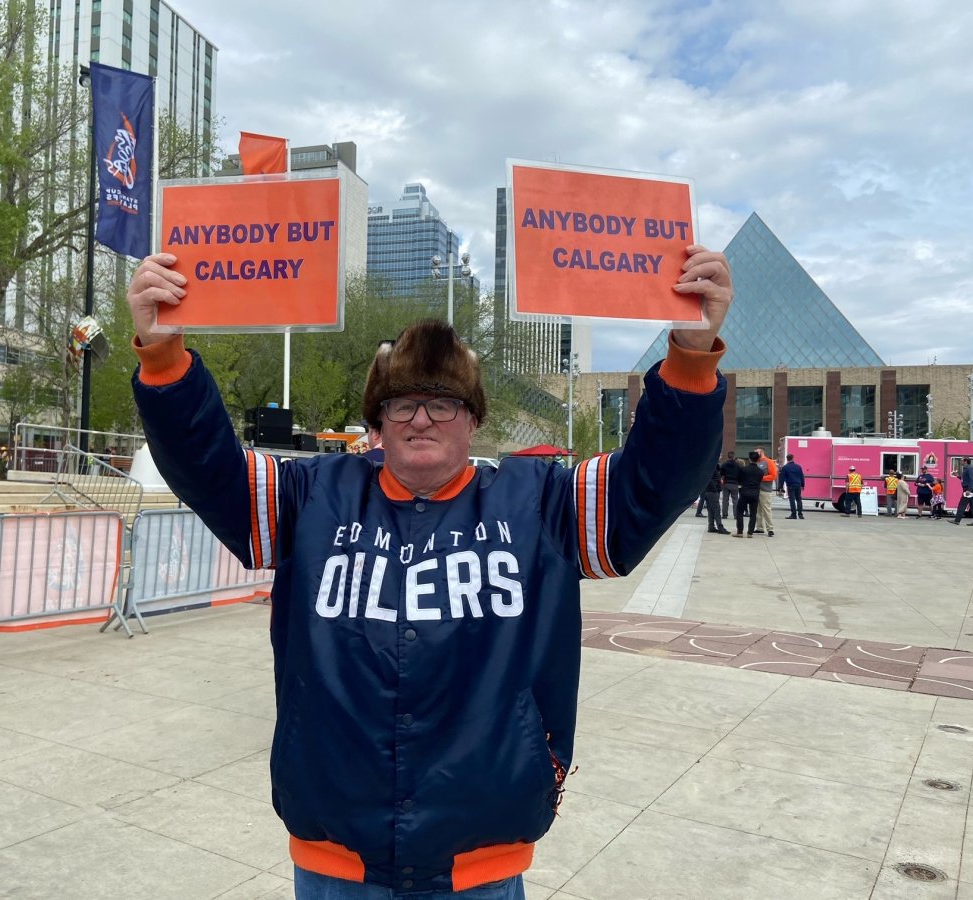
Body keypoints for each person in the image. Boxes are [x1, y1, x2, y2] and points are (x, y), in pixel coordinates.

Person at [126, 245, 732, 897]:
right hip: (335, 858)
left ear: (473, 418)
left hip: (480, 861)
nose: (420, 418)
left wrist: (691, 355)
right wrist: (163, 354)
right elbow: (206, 462)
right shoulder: (309, 497)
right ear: (378, 421)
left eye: (442, 403)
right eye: (401, 403)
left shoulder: (539, 503)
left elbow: (654, 480)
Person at [733, 450, 764, 538]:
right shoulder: (760, 472)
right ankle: (750, 532)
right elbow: (759, 481)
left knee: (739, 512)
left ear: (749, 459)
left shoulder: (743, 469)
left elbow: (739, 479)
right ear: (758, 460)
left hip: (744, 492)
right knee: (753, 514)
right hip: (755, 494)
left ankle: (740, 531)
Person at [952, 457, 973, 526]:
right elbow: (965, 479)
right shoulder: (966, 468)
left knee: (962, 504)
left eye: (961, 460)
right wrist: (958, 476)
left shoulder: (969, 468)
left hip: (968, 489)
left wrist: (968, 490)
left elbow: (972, 480)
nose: (960, 462)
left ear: (965, 461)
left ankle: (957, 520)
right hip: (969, 489)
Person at [755, 447, 777, 536]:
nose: (755, 454)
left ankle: (770, 528)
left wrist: (761, 478)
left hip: (765, 489)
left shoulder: (769, 462)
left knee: (766, 509)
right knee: (758, 510)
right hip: (756, 489)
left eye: (757, 452)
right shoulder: (756, 462)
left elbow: (773, 475)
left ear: (761, 452)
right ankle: (759, 527)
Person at [702, 463, 728, 535]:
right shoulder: (712, 467)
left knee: (710, 509)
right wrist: (715, 489)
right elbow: (711, 479)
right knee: (716, 509)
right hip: (712, 491)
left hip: (708, 490)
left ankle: (711, 526)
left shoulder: (709, 466)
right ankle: (720, 527)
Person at [777, 453, 805, 520]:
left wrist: (780, 487)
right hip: (798, 485)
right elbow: (802, 476)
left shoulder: (785, 467)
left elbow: (782, 478)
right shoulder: (798, 466)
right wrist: (802, 485)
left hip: (790, 485)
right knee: (799, 499)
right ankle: (800, 514)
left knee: (792, 500)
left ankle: (793, 514)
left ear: (787, 459)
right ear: (793, 458)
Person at [719, 450, 741, 521]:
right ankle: (736, 515)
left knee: (725, 500)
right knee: (735, 500)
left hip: (726, 483)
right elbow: (740, 474)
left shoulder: (724, 464)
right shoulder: (737, 465)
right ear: (734, 456)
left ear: (728, 456)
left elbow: (721, 473)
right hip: (734, 484)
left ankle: (724, 514)